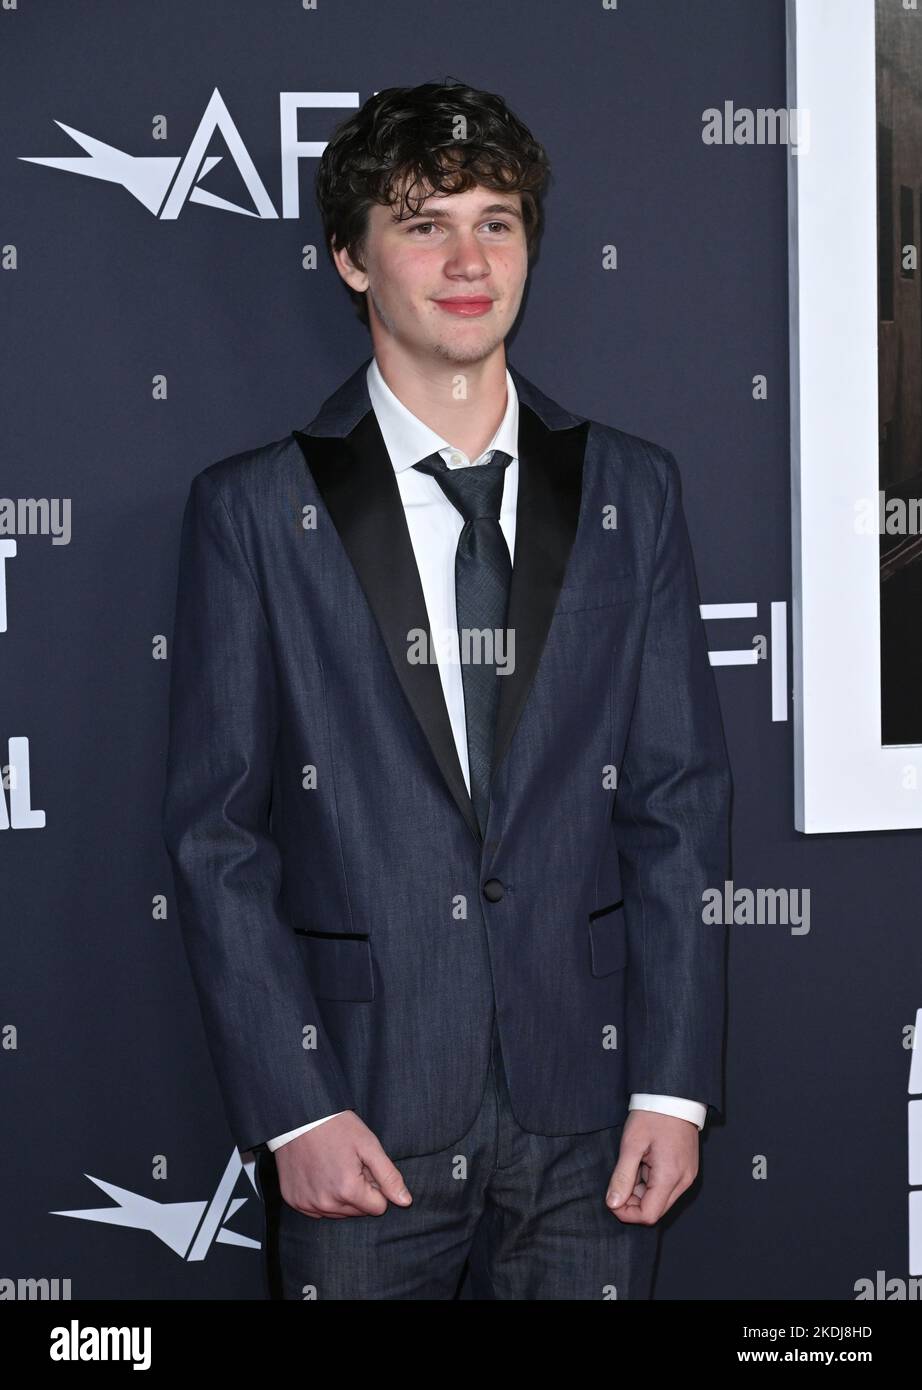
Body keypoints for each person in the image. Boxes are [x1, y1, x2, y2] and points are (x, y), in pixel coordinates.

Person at [161, 77, 732, 1300]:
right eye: (424, 223)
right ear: (351, 259)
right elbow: (218, 836)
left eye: (497, 219)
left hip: (593, 1112)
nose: (469, 259)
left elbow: (676, 804)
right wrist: (292, 1105)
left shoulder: (634, 489)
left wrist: (672, 1085)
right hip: (358, 1113)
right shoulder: (255, 512)